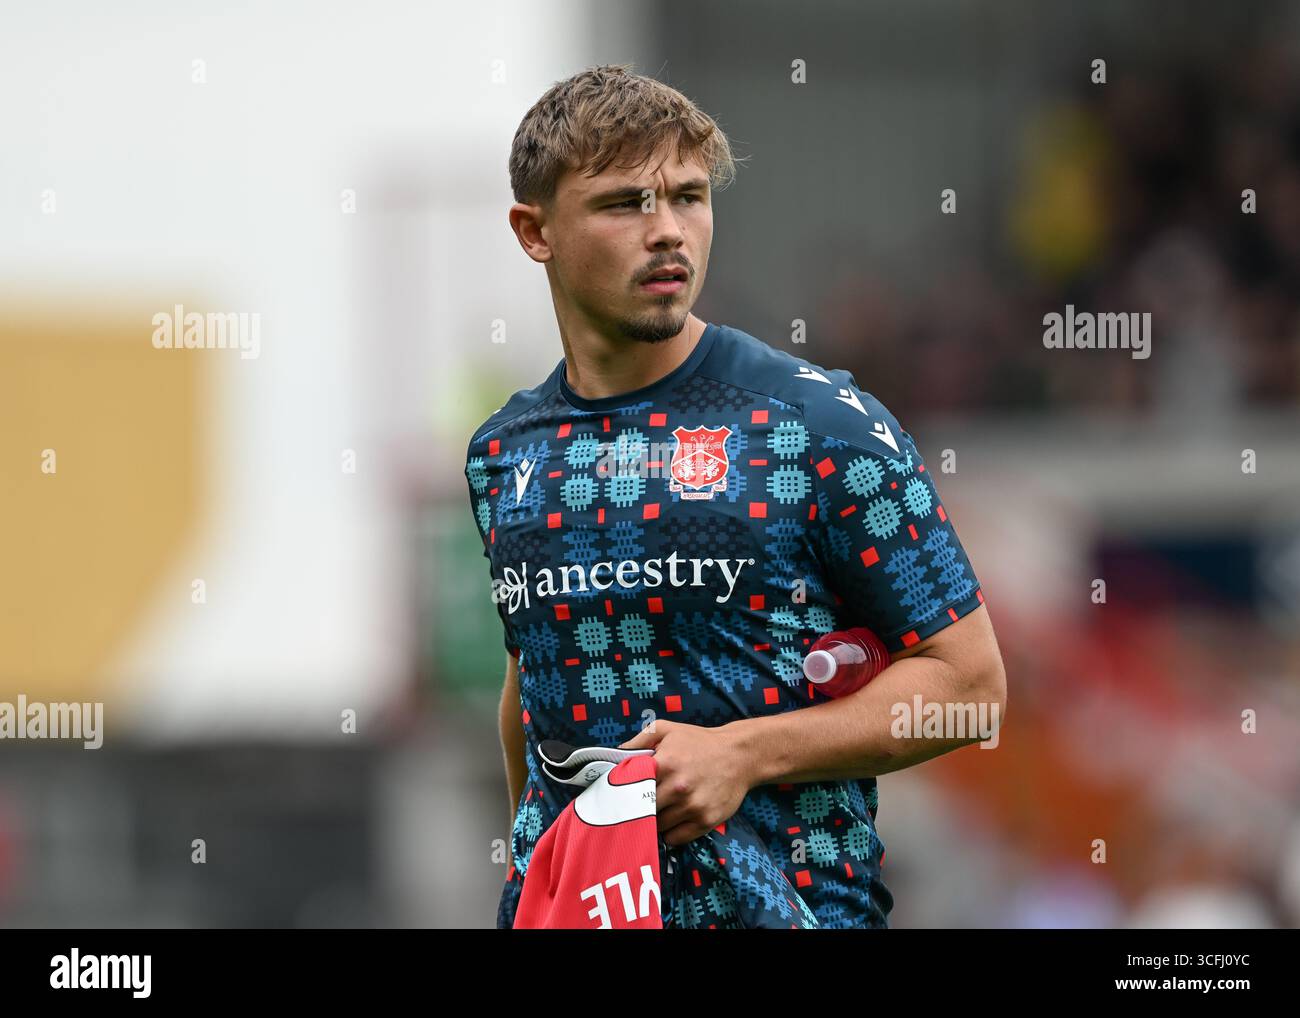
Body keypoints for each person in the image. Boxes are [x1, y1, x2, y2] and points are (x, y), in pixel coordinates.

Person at [463, 64, 1007, 928]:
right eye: (623, 204)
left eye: (688, 196)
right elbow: (527, 688)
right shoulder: (502, 455)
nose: (667, 232)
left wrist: (743, 754)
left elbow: (972, 689)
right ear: (536, 232)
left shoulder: (820, 425)